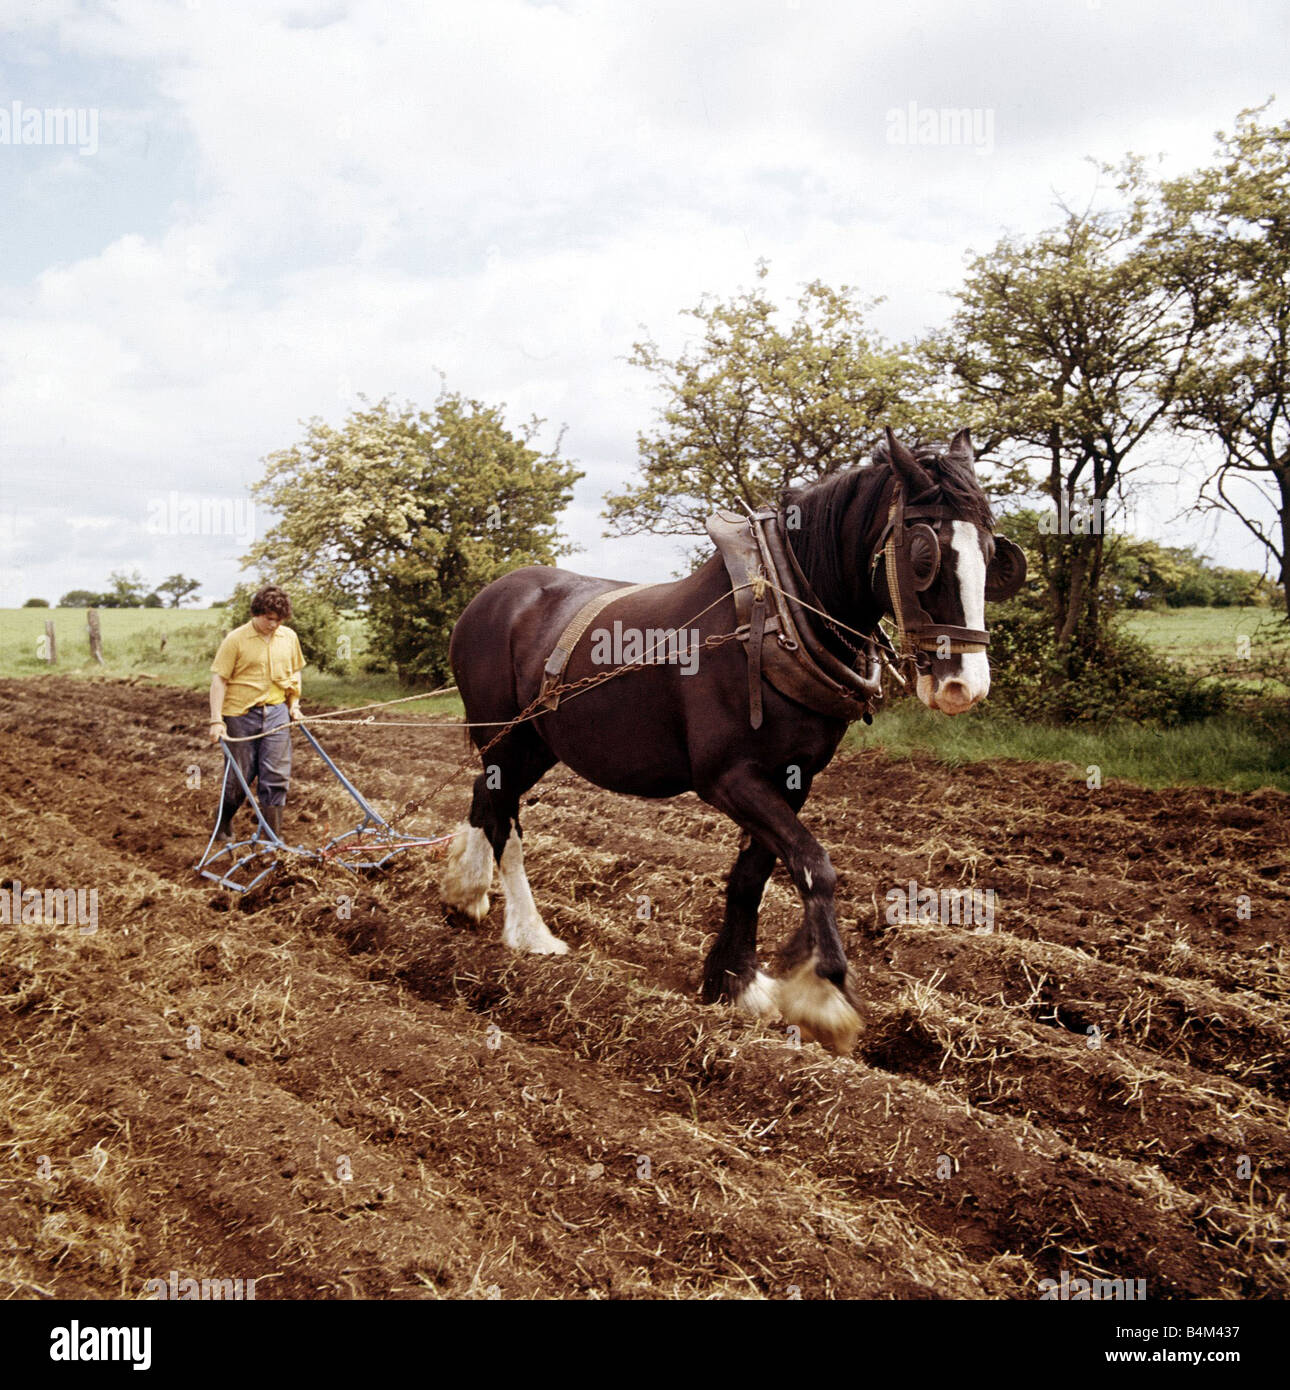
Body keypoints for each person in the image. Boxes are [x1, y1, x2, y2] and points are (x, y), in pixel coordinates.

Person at [208, 585, 305, 843]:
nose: (273, 624)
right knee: (241, 777)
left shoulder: (289, 638)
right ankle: (223, 822)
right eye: (269, 618)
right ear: (257, 613)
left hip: (276, 713)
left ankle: (272, 838)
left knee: (275, 776)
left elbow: (295, 672)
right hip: (240, 715)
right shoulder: (236, 639)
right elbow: (219, 681)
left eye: (279, 619)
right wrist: (217, 720)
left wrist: (294, 704)